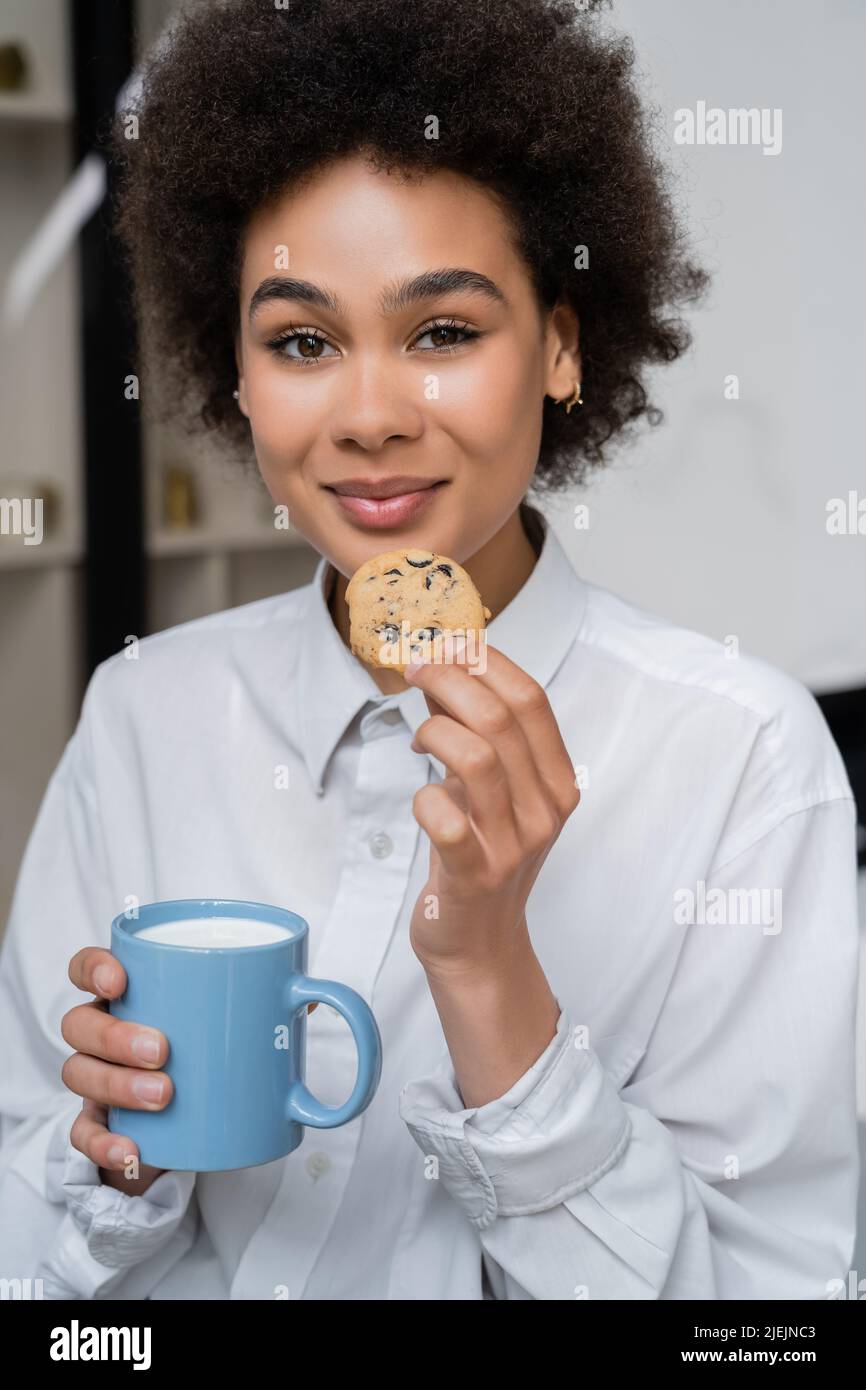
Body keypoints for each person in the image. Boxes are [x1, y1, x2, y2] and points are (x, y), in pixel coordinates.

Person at [0, 0, 858, 1300]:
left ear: (561, 344)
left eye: (443, 332)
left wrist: (490, 966)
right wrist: (116, 1162)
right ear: (231, 370)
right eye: (300, 341)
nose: (366, 416)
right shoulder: (143, 715)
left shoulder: (740, 755)